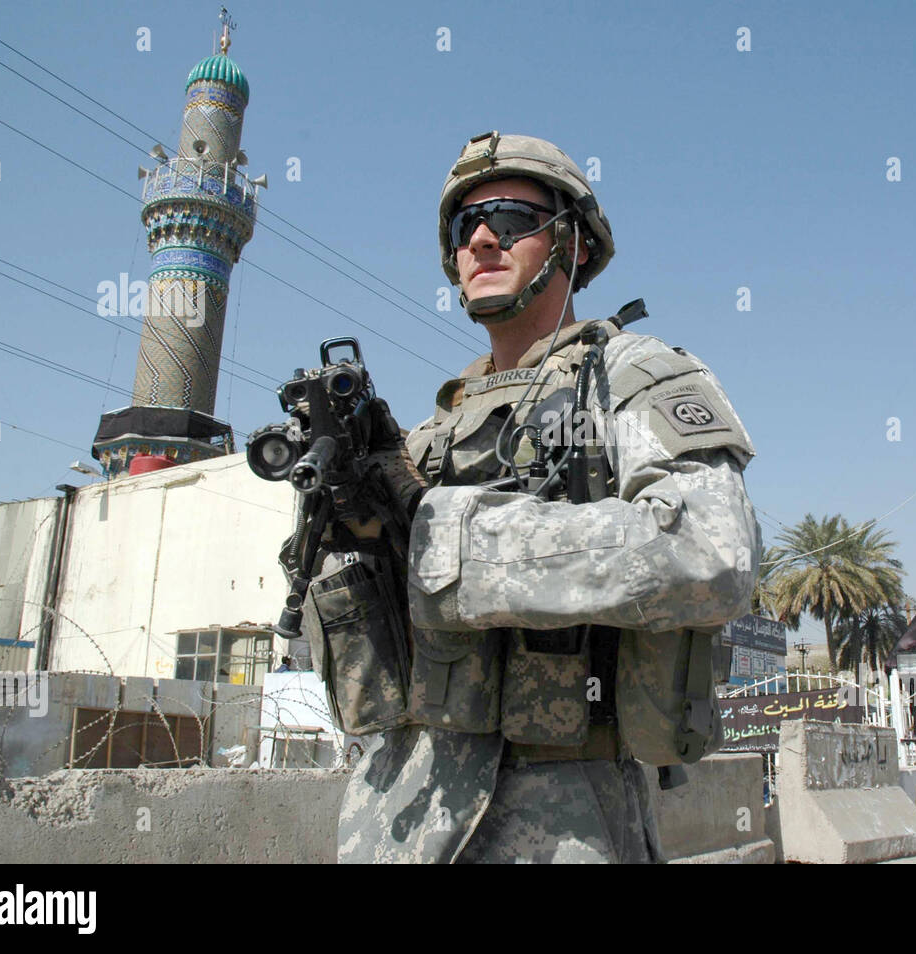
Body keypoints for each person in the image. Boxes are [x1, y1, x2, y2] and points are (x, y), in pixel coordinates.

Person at [305, 132, 761, 863]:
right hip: (399, 815)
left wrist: (450, 540)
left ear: (573, 244)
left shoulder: (631, 376)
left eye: (514, 219)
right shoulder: (430, 433)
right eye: (465, 228)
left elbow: (712, 554)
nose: (484, 238)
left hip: (564, 817)